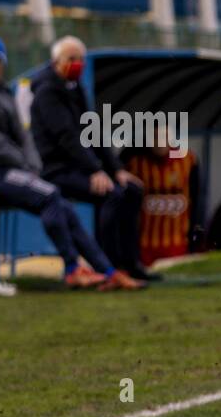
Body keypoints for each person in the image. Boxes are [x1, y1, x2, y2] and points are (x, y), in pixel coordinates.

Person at [0, 33, 142, 291]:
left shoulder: (4, 93)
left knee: (59, 202)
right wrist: (25, 165)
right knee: (50, 195)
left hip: (7, 171)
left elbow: (22, 135)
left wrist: (31, 165)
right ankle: (75, 269)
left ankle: (105, 270)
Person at [30, 36, 154, 281]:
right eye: (71, 59)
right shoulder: (46, 93)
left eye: (80, 59)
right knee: (111, 195)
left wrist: (116, 169)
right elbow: (67, 139)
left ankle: (131, 263)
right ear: (56, 62)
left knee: (131, 190)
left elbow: (93, 132)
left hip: (80, 168)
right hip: (57, 170)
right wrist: (96, 171)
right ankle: (107, 267)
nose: (77, 64)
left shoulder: (75, 89)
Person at [124, 135, 204, 266]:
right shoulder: (134, 161)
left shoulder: (188, 159)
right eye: (154, 137)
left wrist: (196, 239)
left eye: (164, 136)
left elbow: (199, 200)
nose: (160, 142)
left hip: (178, 245)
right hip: (144, 246)